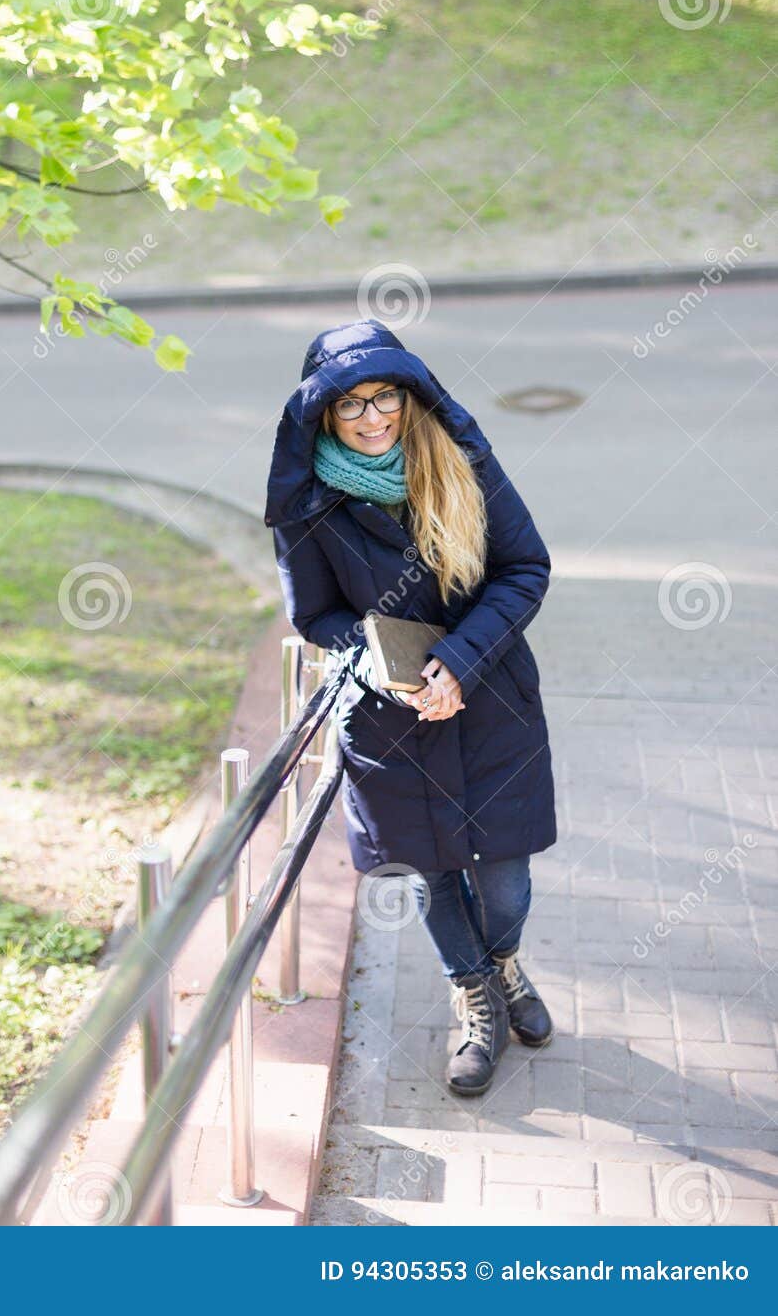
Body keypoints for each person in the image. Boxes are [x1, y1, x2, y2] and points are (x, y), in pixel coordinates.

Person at [264, 318, 557, 1096]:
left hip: (490, 695)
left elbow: (525, 568)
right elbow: (315, 617)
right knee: (432, 873)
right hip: (391, 719)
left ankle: (504, 964)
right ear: (321, 416)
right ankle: (475, 996)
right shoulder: (307, 503)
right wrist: (381, 669)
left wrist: (455, 661)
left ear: (407, 393)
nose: (369, 417)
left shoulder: (460, 461)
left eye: (382, 396)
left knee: (504, 882)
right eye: (347, 405)